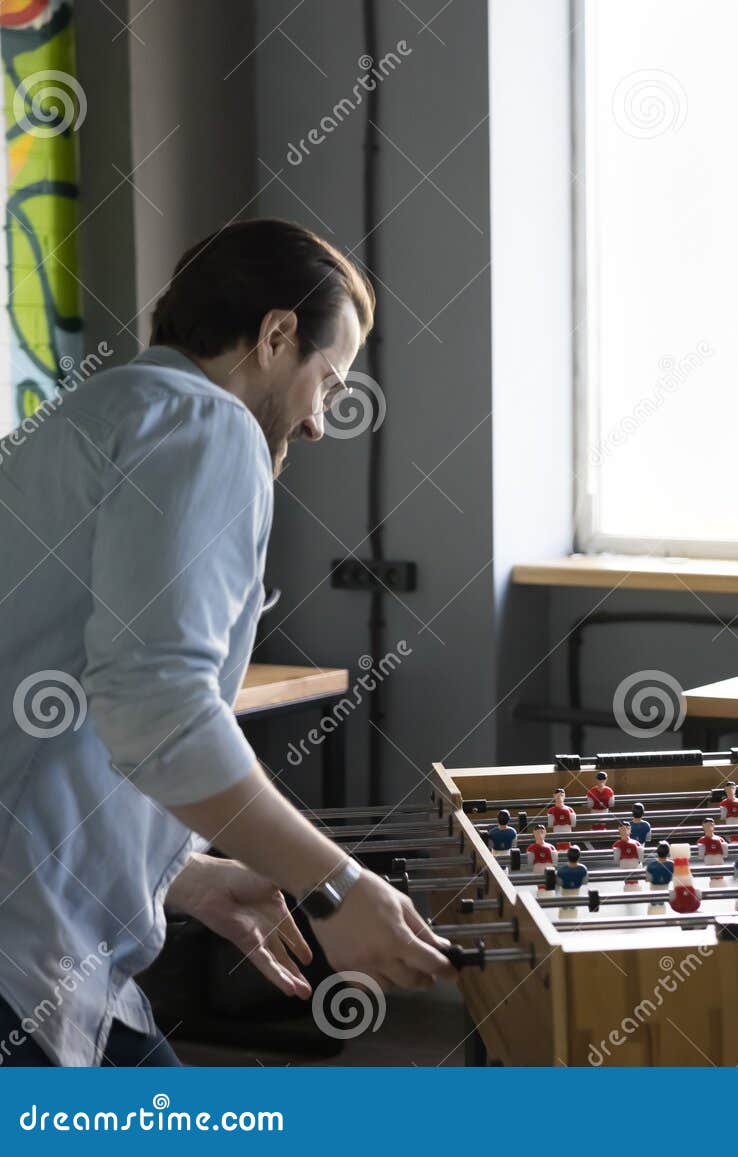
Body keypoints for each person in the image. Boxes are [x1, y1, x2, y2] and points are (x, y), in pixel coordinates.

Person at [0, 219, 454, 1067]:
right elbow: (157, 704)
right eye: (329, 381)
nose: (320, 423)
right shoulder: (209, 423)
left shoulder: (102, 410)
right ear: (277, 335)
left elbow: (72, 708)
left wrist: (191, 878)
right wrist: (336, 884)